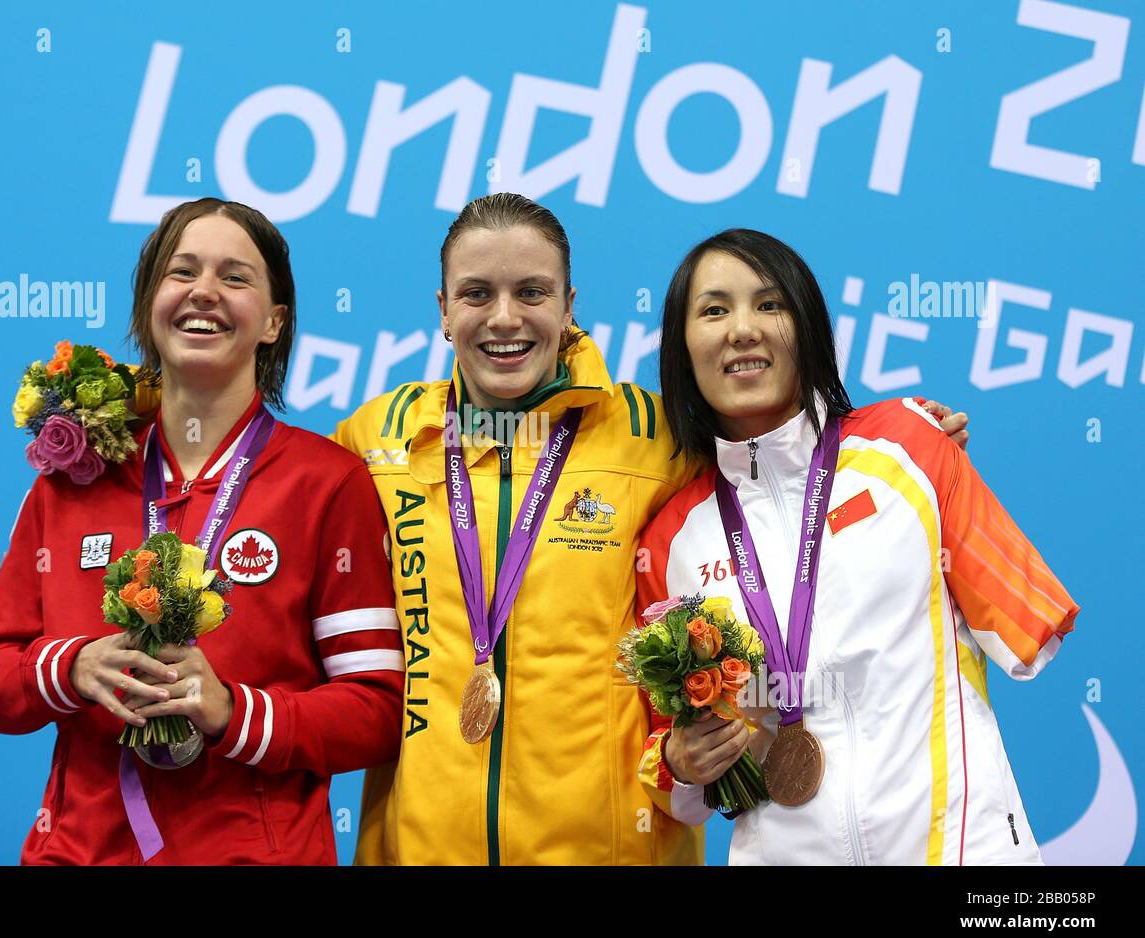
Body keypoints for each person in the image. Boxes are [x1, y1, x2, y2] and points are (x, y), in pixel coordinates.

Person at [332, 195, 970, 864]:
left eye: (532, 292)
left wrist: (901, 442)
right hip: (415, 848)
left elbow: (786, 462)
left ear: (569, 305)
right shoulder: (377, 440)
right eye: (476, 293)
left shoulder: (655, 437)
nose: (504, 318)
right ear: (442, 309)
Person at [0, 198, 404, 865]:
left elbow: (376, 711)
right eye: (183, 271)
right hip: (78, 855)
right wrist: (72, 668)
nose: (204, 291)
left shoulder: (326, 483)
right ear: (149, 303)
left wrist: (232, 711)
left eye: (235, 276)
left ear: (274, 321)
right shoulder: (75, 476)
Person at [636, 228, 1079, 864]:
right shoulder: (671, 540)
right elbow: (677, 783)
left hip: (962, 848)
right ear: (681, 348)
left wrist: (936, 458)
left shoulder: (909, 447)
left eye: (769, 304)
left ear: (809, 325)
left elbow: (1026, 625)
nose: (742, 329)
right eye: (713, 310)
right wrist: (682, 764)